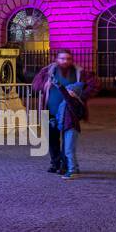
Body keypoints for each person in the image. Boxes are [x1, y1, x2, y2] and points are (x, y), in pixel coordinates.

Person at [32, 49, 89, 179]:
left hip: (69, 113)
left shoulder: (79, 71)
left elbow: (90, 86)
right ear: (57, 59)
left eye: (68, 59)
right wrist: (45, 84)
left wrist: (81, 94)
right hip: (51, 111)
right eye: (62, 58)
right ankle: (55, 163)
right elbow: (35, 85)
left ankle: (65, 164)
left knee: (67, 140)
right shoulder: (47, 71)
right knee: (52, 139)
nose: (65, 61)